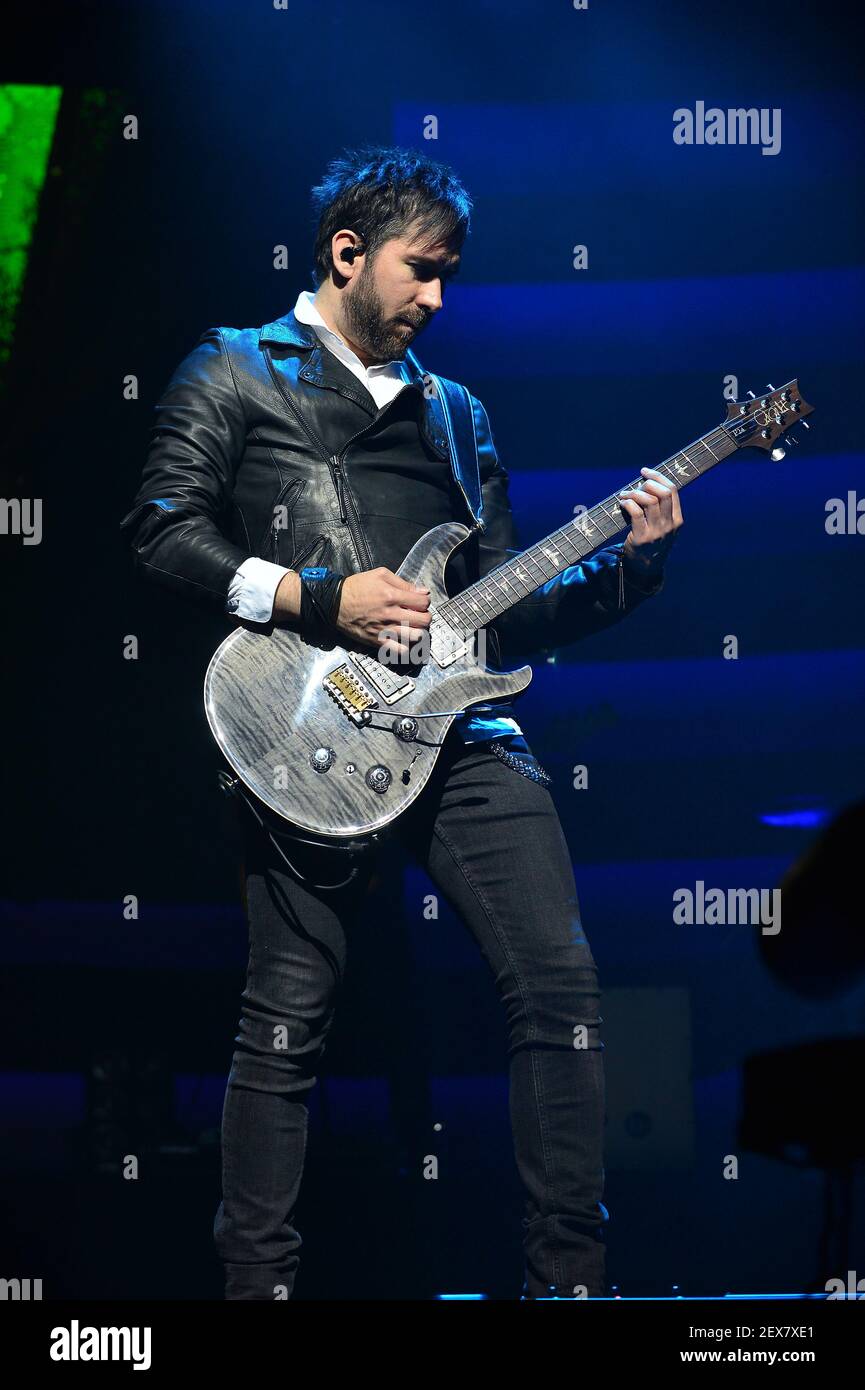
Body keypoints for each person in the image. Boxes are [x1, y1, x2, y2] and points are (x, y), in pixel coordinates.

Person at [120, 145, 682, 1300]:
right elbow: (160, 529)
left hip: (463, 736)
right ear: (344, 253)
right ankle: (256, 1287)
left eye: (449, 277)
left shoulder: (459, 413)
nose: (438, 299)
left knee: (561, 990)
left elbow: (494, 622)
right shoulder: (233, 370)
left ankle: (569, 1284)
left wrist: (632, 574)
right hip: (304, 731)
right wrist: (318, 598)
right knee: (286, 1018)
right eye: (421, 272)